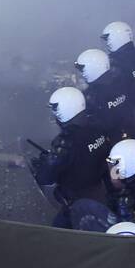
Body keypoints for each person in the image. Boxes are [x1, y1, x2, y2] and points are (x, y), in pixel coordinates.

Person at [30, 87, 115, 229]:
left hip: (77, 203)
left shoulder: (65, 143)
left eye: (55, 110)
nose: (54, 115)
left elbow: (45, 178)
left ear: (65, 110)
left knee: (58, 232)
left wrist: (46, 162)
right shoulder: (97, 127)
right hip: (102, 190)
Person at [75, 48, 131, 137]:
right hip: (131, 133)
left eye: (83, 69)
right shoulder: (120, 81)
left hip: (110, 139)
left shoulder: (93, 95)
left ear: (94, 68)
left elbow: (101, 124)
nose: (82, 73)